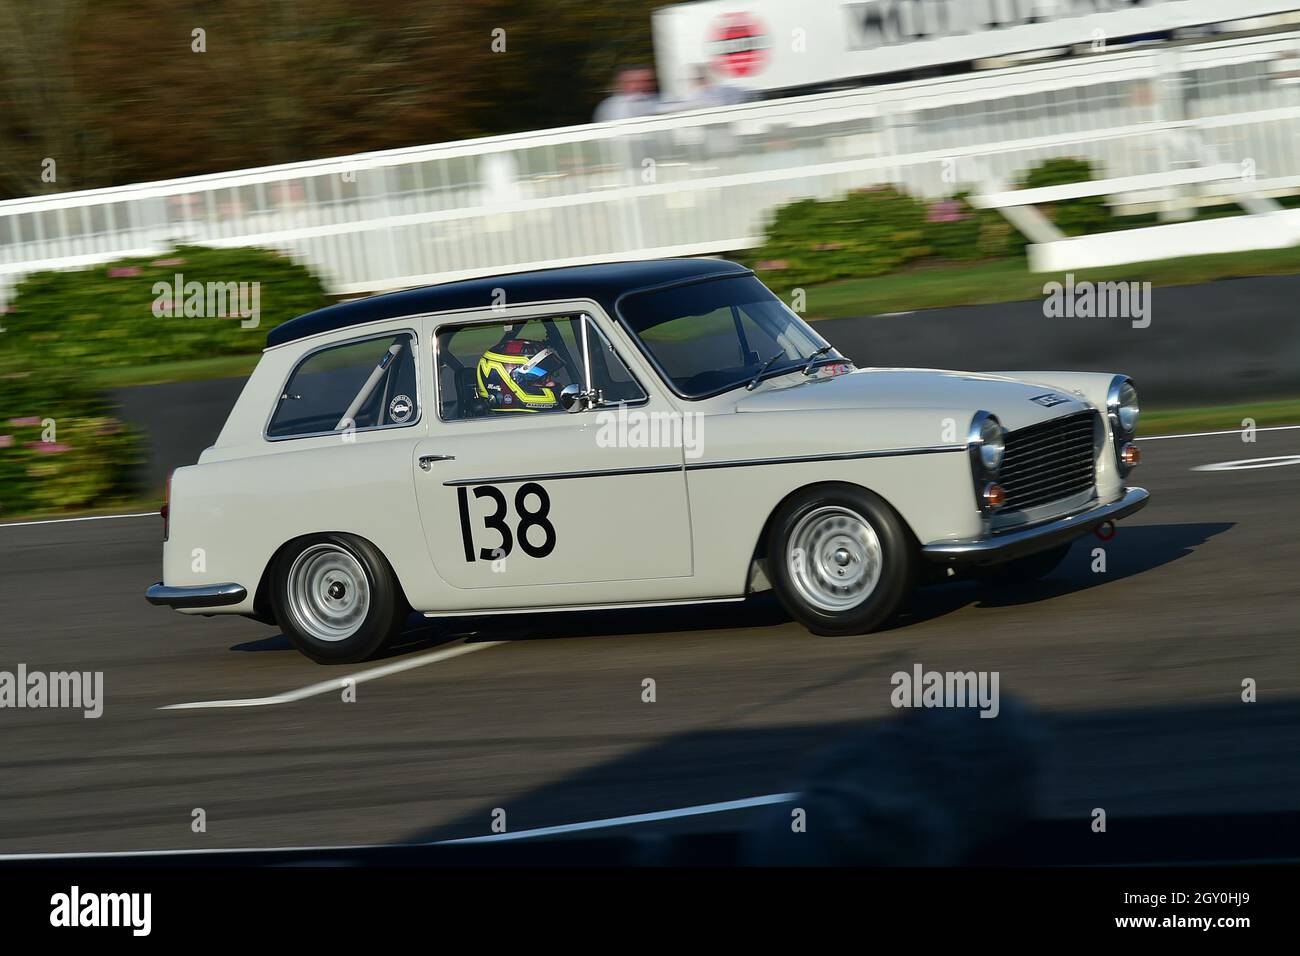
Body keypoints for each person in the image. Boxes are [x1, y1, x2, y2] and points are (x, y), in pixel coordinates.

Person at [593, 66, 660, 123]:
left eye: (647, 81)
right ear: (621, 83)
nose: (641, 85)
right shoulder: (609, 106)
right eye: (634, 81)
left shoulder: (661, 101)